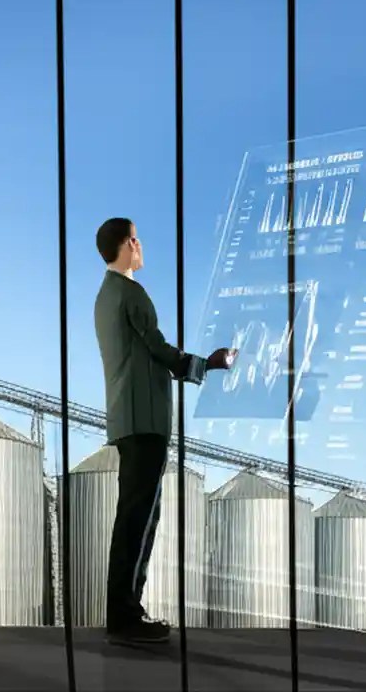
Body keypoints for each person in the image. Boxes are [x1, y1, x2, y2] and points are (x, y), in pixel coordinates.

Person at [93, 217, 235, 645]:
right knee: (140, 520)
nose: (141, 245)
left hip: (126, 420)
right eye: (136, 238)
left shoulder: (104, 297)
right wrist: (208, 364)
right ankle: (126, 618)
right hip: (146, 422)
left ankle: (122, 613)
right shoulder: (131, 294)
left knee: (130, 518)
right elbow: (159, 350)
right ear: (127, 244)